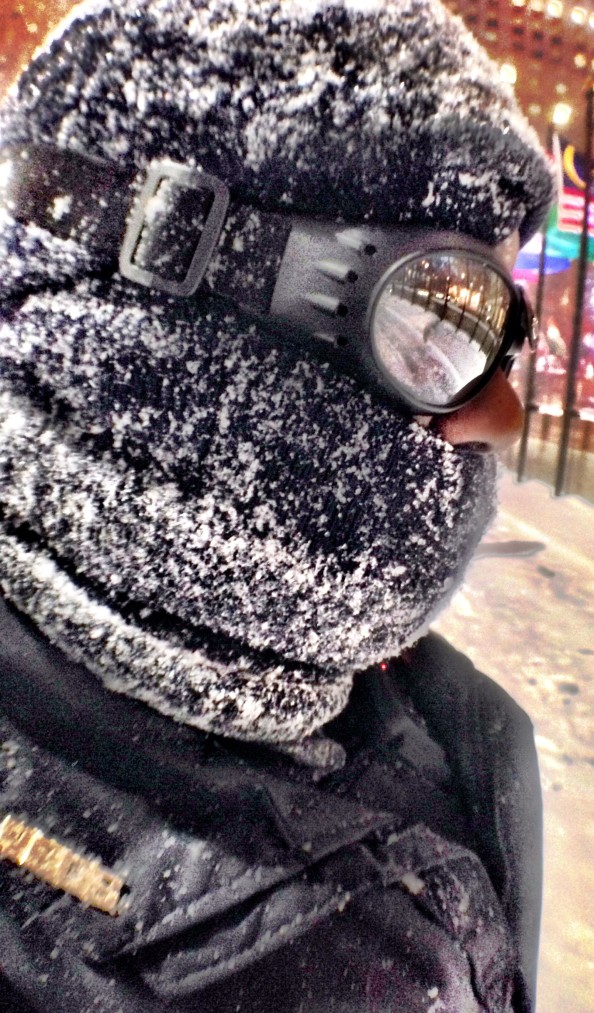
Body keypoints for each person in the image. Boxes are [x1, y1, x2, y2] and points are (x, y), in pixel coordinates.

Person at [0, 0, 554, 1009]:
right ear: (180, 311)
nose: (502, 413)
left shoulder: (440, 724)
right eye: (436, 317)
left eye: (491, 331)